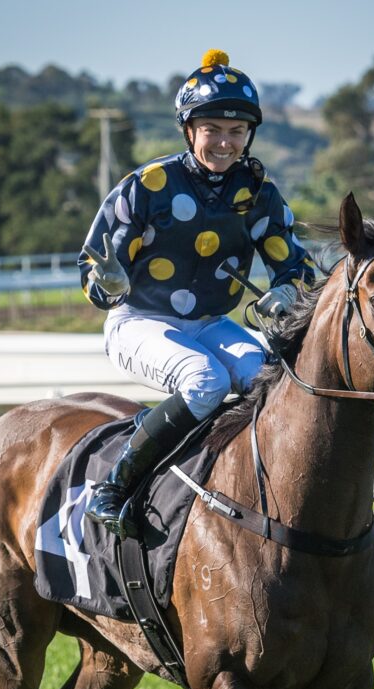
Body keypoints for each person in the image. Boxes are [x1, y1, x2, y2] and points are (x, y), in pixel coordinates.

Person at [79, 48, 316, 532]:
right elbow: (91, 267)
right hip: (139, 321)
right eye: (213, 130)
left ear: (249, 135)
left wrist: (286, 295)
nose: (225, 143)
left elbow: (296, 269)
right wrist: (108, 285)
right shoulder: (147, 186)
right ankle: (113, 489)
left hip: (209, 323)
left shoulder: (258, 193)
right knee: (206, 380)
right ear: (190, 131)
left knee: (272, 383)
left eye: (236, 132)